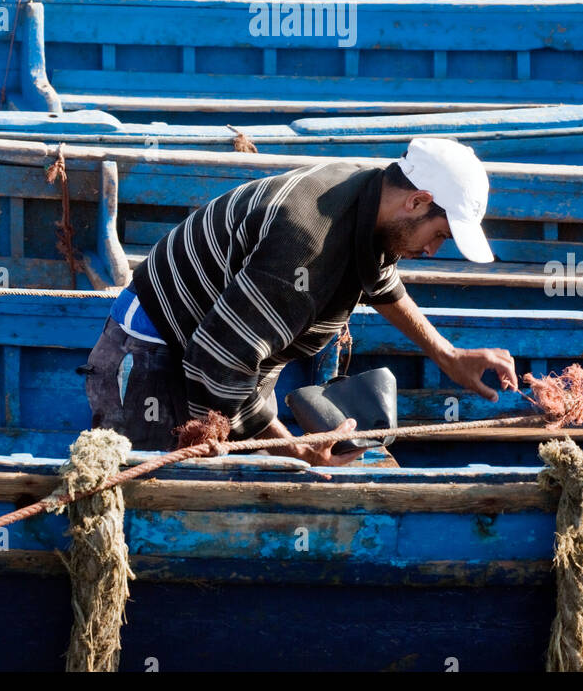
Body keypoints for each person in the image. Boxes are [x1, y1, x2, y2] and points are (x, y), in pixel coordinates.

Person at [83, 137, 518, 466]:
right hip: (152, 358)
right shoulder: (307, 243)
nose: (433, 251)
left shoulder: (368, 194)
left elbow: (379, 278)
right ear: (418, 200)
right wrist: (292, 450)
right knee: (155, 510)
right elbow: (216, 363)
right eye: (439, 234)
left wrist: (447, 354)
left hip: (225, 350)